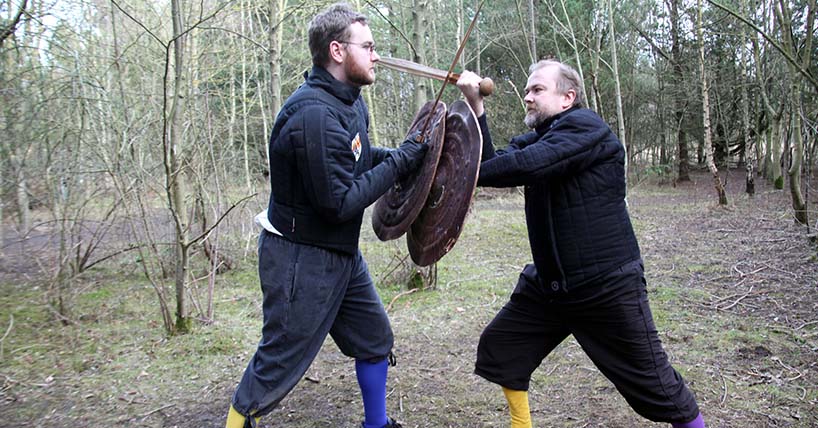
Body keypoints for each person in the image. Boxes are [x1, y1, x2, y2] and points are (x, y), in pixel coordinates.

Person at [456, 60, 706, 428]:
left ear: (567, 97)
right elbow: (490, 164)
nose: (527, 97)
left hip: (604, 286)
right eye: (527, 90)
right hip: (552, 286)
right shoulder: (541, 137)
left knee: (659, 389)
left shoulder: (586, 128)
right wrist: (477, 107)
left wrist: (467, 165)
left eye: (537, 89)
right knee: (503, 347)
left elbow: (525, 165)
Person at [225, 4, 430, 428]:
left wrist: (404, 157)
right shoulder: (313, 115)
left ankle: (376, 424)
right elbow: (338, 203)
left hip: (339, 254)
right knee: (278, 362)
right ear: (337, 50)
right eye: (367, 47)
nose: (375, 55)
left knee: (374, 338)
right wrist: (399, 164)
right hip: (299, 259)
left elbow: (357, 160)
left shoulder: (349, 103)